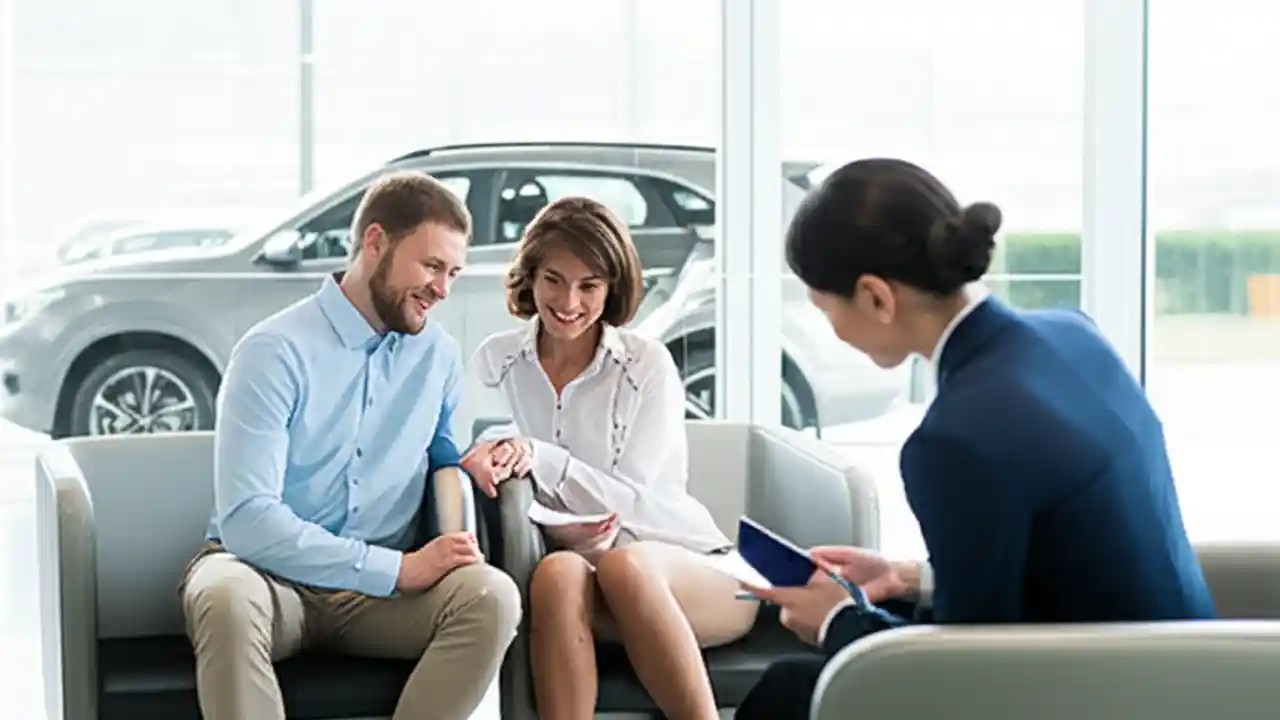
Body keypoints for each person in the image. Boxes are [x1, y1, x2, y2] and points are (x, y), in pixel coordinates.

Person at [734, 158, 1217, 719]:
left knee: (790, 693)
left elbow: (962, 675)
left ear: (875, 297)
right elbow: (1067, 550)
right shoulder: (1073, 334)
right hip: (1186, 679)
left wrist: (837, 619)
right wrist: (912, 579)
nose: (833, 331)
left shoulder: (954, 439)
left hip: (1097, 696)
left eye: (825, 309)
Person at [180, 171, 522, 720]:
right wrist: (394, 569)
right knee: (224, 597)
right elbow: (247, 521)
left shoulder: (437, 355)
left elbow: (445, 458)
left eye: (454, 272)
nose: (443, 289)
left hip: (378, 603)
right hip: (266, 578)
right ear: (375, 242)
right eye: (432, 266)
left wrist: (483, 455)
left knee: (492, 597)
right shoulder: (274, 351)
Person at [461, 197, 758, 720]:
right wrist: (481, 458)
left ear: (612, 288)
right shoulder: (499, 359)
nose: (568, 300)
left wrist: (539, 456)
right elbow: (469, 446)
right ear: (529, 278)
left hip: (695, 573)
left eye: (589, 285)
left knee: (624, 563)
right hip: (587, 582)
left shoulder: (645, 364)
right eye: (553, 279)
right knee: (554, 574)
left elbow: (636, 503)